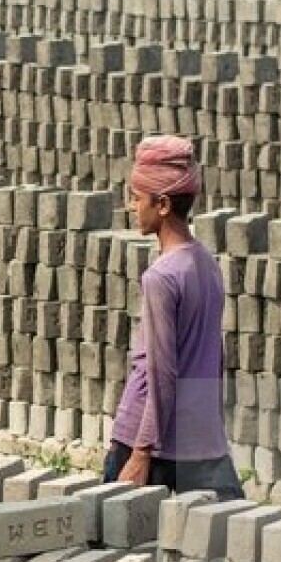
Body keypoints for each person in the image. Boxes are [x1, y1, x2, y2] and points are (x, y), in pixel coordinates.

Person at [102, 136, 241, 499]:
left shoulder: (161, 278)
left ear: (162, 204)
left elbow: (161, 372)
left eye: (137, 197)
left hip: (151, 439)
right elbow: (215, 358)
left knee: (114, 543)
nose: (132, 207)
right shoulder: (207, 264)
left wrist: (142, 452)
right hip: (202, 439)